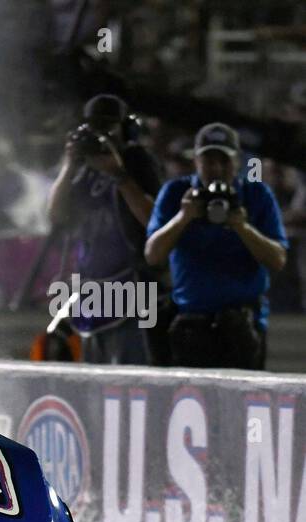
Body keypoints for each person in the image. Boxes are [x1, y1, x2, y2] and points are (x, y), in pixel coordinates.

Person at [144, 123, 289, 369]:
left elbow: (277, 260)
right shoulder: (176, 193)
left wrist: (242, 227)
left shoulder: (257, 195)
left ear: (237, 162)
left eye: (224, 161)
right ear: (196, 161)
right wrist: (184, 217)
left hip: (241, 324)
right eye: (208, 161)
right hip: (192, 321)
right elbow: (153, 255)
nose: (216, 169)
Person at [47, 94, 162, 364]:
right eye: (95, 127)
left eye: (109, 127)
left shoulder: (136, 159)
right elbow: (57, 214)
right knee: (93, 375)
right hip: (92, 288)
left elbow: (153, 220)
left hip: (132, 287)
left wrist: (118, 174)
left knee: (130, 373)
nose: (102, 135)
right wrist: (70, 165)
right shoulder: (84, 167)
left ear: (126, 129)